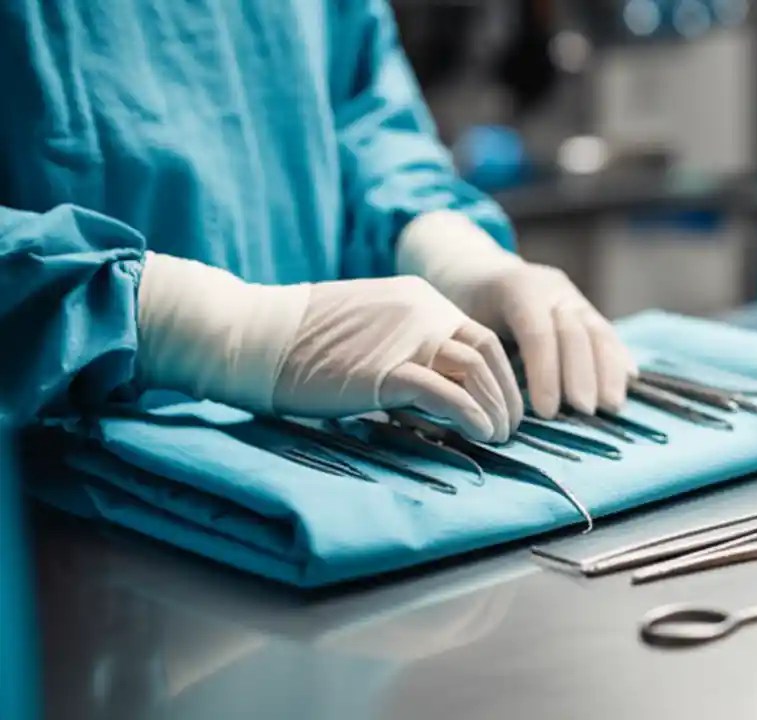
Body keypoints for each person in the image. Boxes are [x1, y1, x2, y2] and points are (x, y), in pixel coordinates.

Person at [0, 0, 634, 443]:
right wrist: (189, 322)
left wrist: (444, 245)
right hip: (55, 499)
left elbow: (358, 110)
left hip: (305, 462)